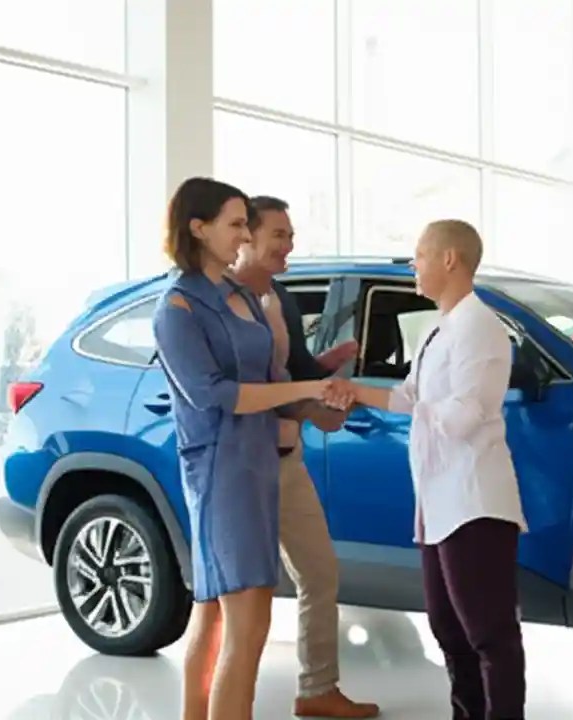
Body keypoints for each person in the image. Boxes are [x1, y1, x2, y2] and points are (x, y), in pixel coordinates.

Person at [151, 177, 335, 720]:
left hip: (258, 465)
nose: (243, 235)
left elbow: (271, 376)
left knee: (227, 619)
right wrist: (303, 389)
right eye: (235, 225)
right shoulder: (177, 308)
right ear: (198, 228)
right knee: (248, 624)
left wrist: (315, 403)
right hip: (220, 473)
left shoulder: (242, 297)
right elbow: (215, 394)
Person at [343, 219, 529, 719]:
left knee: (489, 634)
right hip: (438, 500)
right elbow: (413, 396)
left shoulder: (479, 328)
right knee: (449, 629)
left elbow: (464, 416)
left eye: (419, 255)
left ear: (450, 259)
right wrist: (355, 392)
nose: (413, 265)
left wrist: (422, 404)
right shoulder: (440, 328)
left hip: (473, 501)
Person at [226, 195, 379, 719]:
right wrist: (313, 399)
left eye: (291, 235)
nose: (288, 245)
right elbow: (243, 392)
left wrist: (327, 371)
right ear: (245, 235)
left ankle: (317, 689)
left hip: (287, 461)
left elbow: (292, 369)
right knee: (243, 599)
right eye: (278, 234)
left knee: (318, 572)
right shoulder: (220, 305)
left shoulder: (280, 298)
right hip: (241, 470)